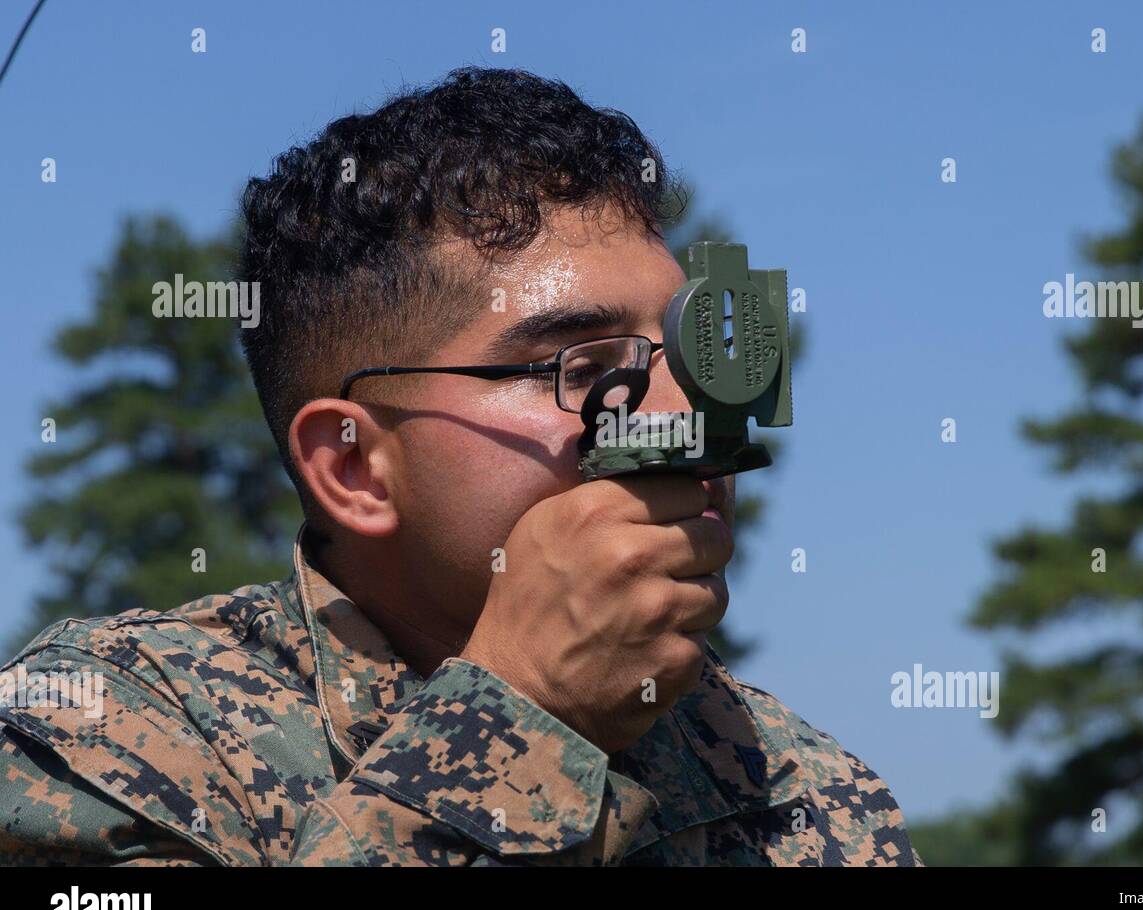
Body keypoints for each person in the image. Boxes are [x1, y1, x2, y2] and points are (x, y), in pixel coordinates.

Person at [0, 67, 921, 866]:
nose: (680, 416)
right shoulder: (100, 731)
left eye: (689, 357)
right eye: (585, 367)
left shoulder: (807, 791)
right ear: (354, 467)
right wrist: (521, 721)